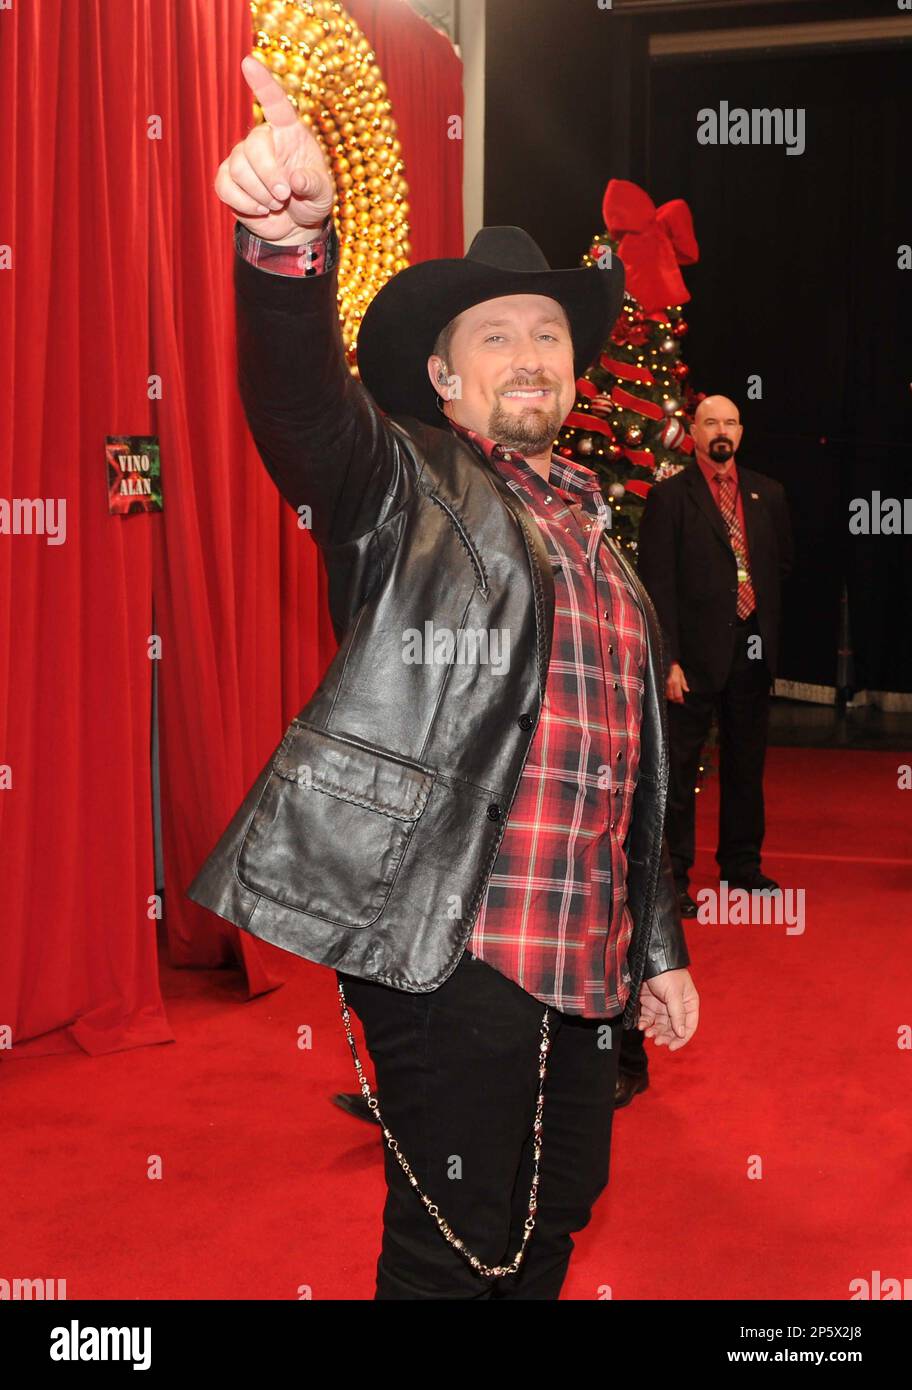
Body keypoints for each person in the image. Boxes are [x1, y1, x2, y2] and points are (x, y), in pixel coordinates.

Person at [188, 56, 699, 1300]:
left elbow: (634, 778)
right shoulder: (403, 487)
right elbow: (302, 411)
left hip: (584, 970)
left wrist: (662, 949)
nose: (530, 352)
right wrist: (287, 250)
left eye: (549, 333)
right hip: (451, 947)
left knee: (553, 1223)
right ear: (443, 376)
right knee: (451, 1253)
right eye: (497, 334)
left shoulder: (605, 549)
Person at [637, 394, 794, 919]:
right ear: (695, 433)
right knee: (678, 772)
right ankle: (673, 876)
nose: (720, 430)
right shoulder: (670, 498)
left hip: (752, 653)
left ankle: (742, 867)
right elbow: (656, 585)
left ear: (740, 433)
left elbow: (781, 570)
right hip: (692, 661)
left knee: (747, 767)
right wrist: (668, 661)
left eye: (730, 422)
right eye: (710, 423)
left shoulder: (768, 494)